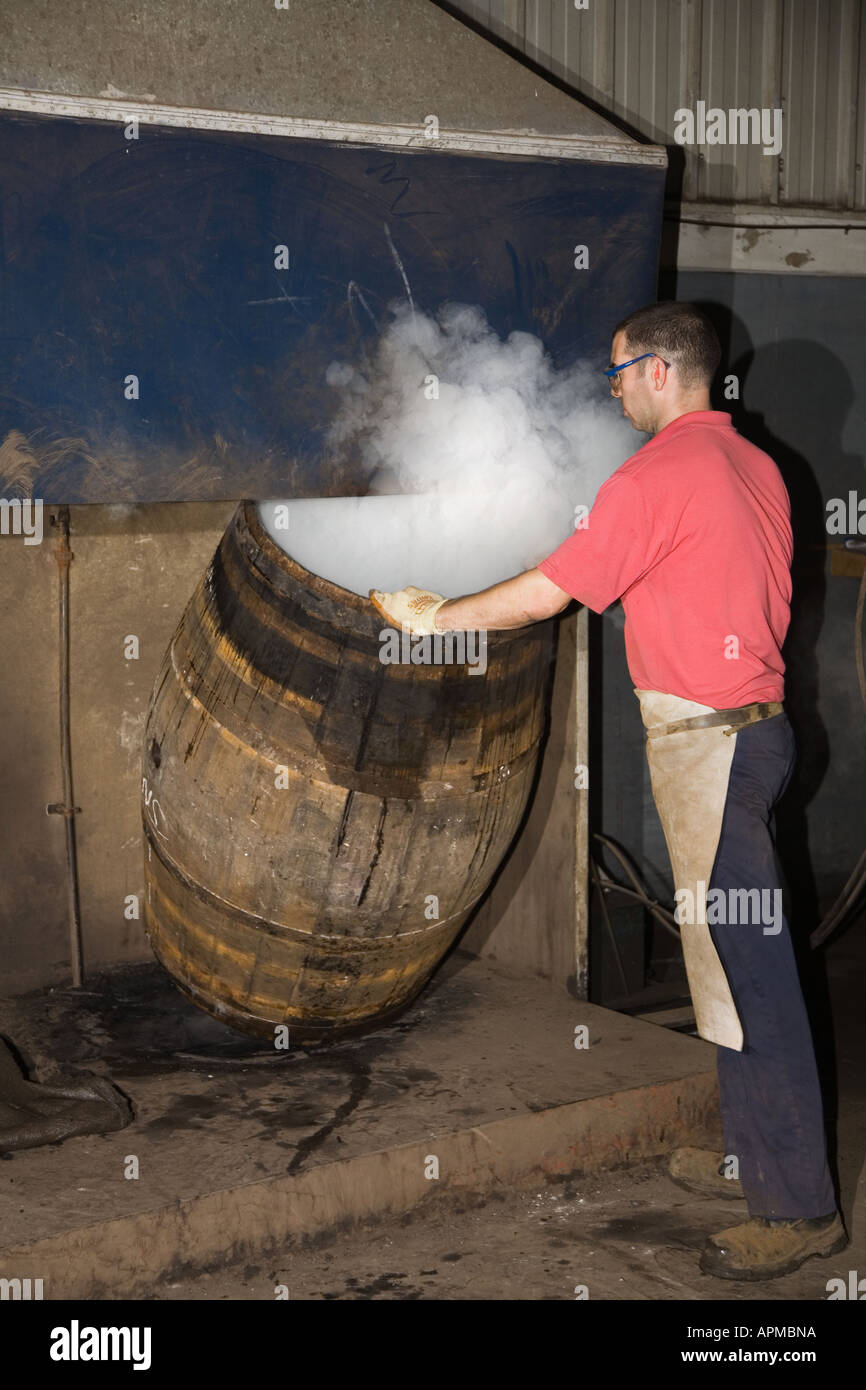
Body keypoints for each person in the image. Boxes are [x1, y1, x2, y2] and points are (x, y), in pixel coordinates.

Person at [369, 300, 847, 1282]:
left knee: (753, 979)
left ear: (661, 371)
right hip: (754, 736)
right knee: (725, 969)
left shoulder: (655, 473)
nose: (613, 387)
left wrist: (437, 618)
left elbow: (549, 592)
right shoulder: (756, 467)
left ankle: (798, 1208)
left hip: (709, 752)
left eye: (619, 371)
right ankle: (751, 1158)